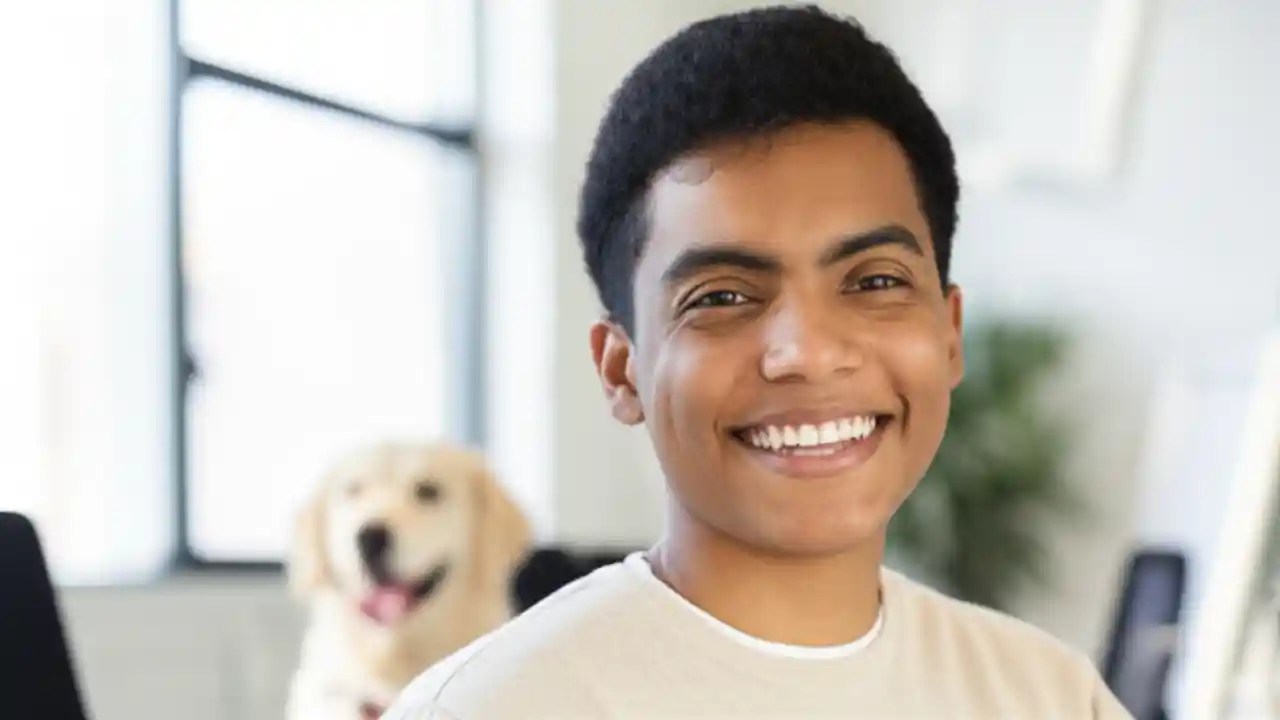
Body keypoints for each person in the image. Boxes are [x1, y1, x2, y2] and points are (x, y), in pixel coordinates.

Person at [385, 5, 1132, 718]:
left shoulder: (1049, 696)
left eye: (874, 282)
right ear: (622, 369)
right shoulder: (493, 708)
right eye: (722, 297)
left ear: (948, 335)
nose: (807, 352)